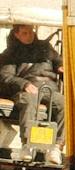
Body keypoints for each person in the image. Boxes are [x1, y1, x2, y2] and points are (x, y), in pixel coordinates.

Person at [0, 20, 64, 153]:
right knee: (29, 101)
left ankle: (57, 147)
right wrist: (24, 84)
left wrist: (61, 66)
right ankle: (27, 145)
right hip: (27, 89)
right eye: (25, 33)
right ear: (17, 34)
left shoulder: (45, 47)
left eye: (31, 32)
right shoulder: (11, 53)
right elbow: (6, 76)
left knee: (64, 104)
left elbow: (57, 60)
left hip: (49, 89)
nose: (30, 35)